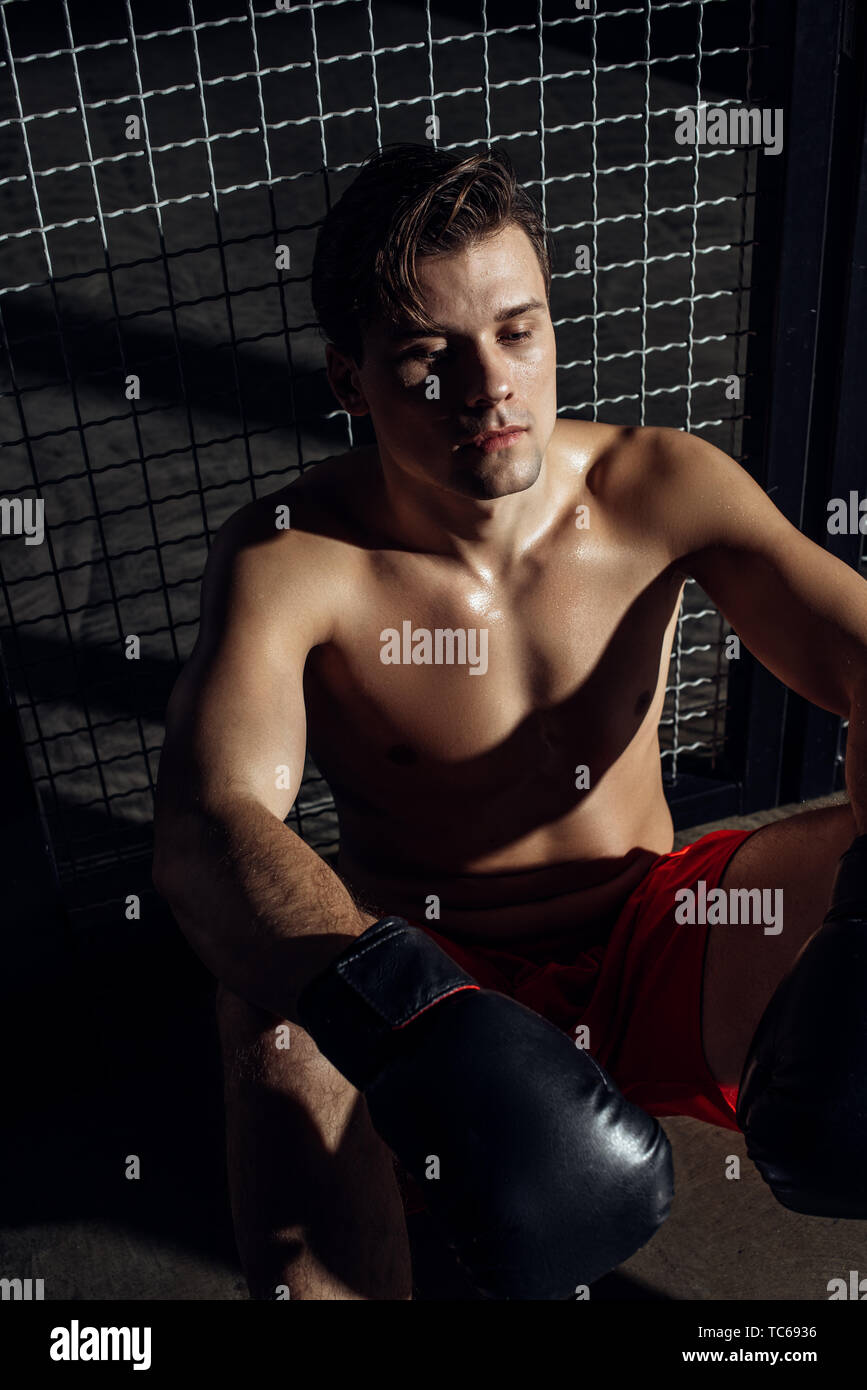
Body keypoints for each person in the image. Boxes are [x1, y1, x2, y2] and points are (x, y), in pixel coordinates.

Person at [152, 143, 867, 1300]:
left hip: (658, 929)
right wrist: (395, 1008)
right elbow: (207, 819)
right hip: (434, 976)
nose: (492, 385)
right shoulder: (291, 558)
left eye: (519, 331)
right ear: (351, 378)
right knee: (270, 1026)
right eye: (433, 355)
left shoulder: (661, 487)